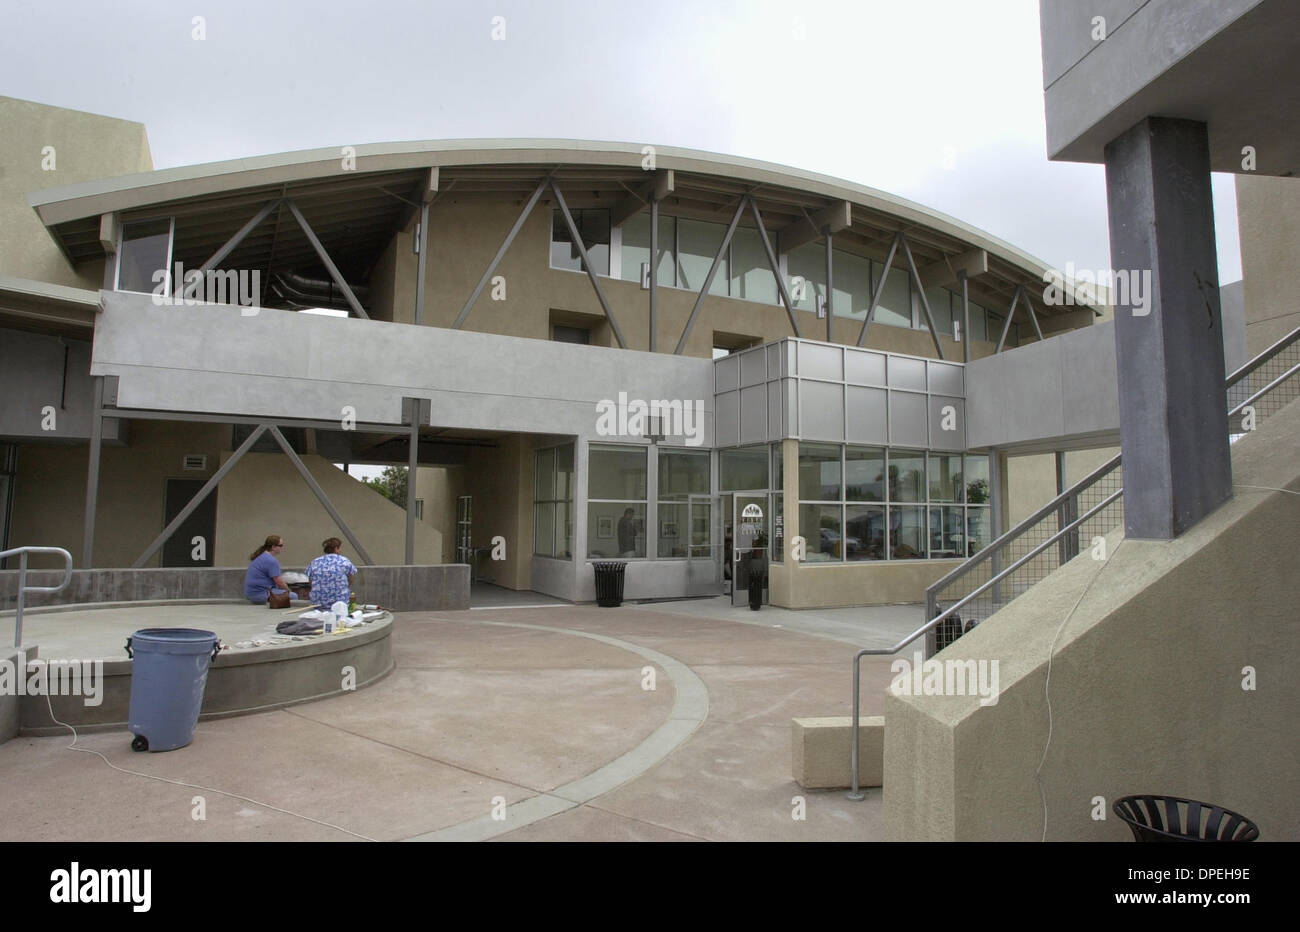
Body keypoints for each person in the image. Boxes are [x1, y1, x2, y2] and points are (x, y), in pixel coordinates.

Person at [244, 534, 297, 604]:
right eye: (281, 545)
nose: (282, 548)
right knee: (294, 596)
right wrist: (288, 591)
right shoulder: (271, 561)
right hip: (260, 595)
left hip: (250, 593)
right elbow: (279, 582)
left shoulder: (260, 556)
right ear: (273, 547)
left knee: (280, 591)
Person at [307, 537, 357, 609]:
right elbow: (351, 579)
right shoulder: (344, 561)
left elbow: (311, 582)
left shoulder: (315, 562)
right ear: (336, 548)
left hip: (318, 603)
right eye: (340, 548)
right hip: (340, 603)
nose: (341, 550)